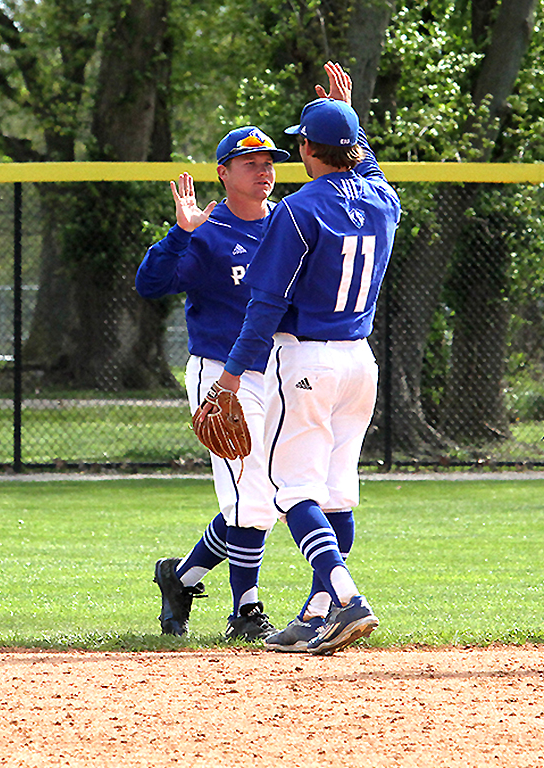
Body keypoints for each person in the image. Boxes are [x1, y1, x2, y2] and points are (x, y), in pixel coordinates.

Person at [200, 65, 401, 656]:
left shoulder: (296, 210)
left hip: (305, 362)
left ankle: (344, 595)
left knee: (289, 490)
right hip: (360, 362)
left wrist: (232, 376)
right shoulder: (383, 200)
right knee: (336, 493)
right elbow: (368, 167)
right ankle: (316, 612)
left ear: (305, 149)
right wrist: (350, 122)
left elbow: (264, 307)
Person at [137, 125, 292, 642]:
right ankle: (245, 610)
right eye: (250, 163)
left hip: (281, 373)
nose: (264, 170)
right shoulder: (206, 229)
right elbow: (149, 285)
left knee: (268, 498)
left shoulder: (289, 225)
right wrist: (181, 232)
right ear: (223, 173)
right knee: (249, 500)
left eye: (269, 162)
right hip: (220, 374)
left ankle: (180, 578)